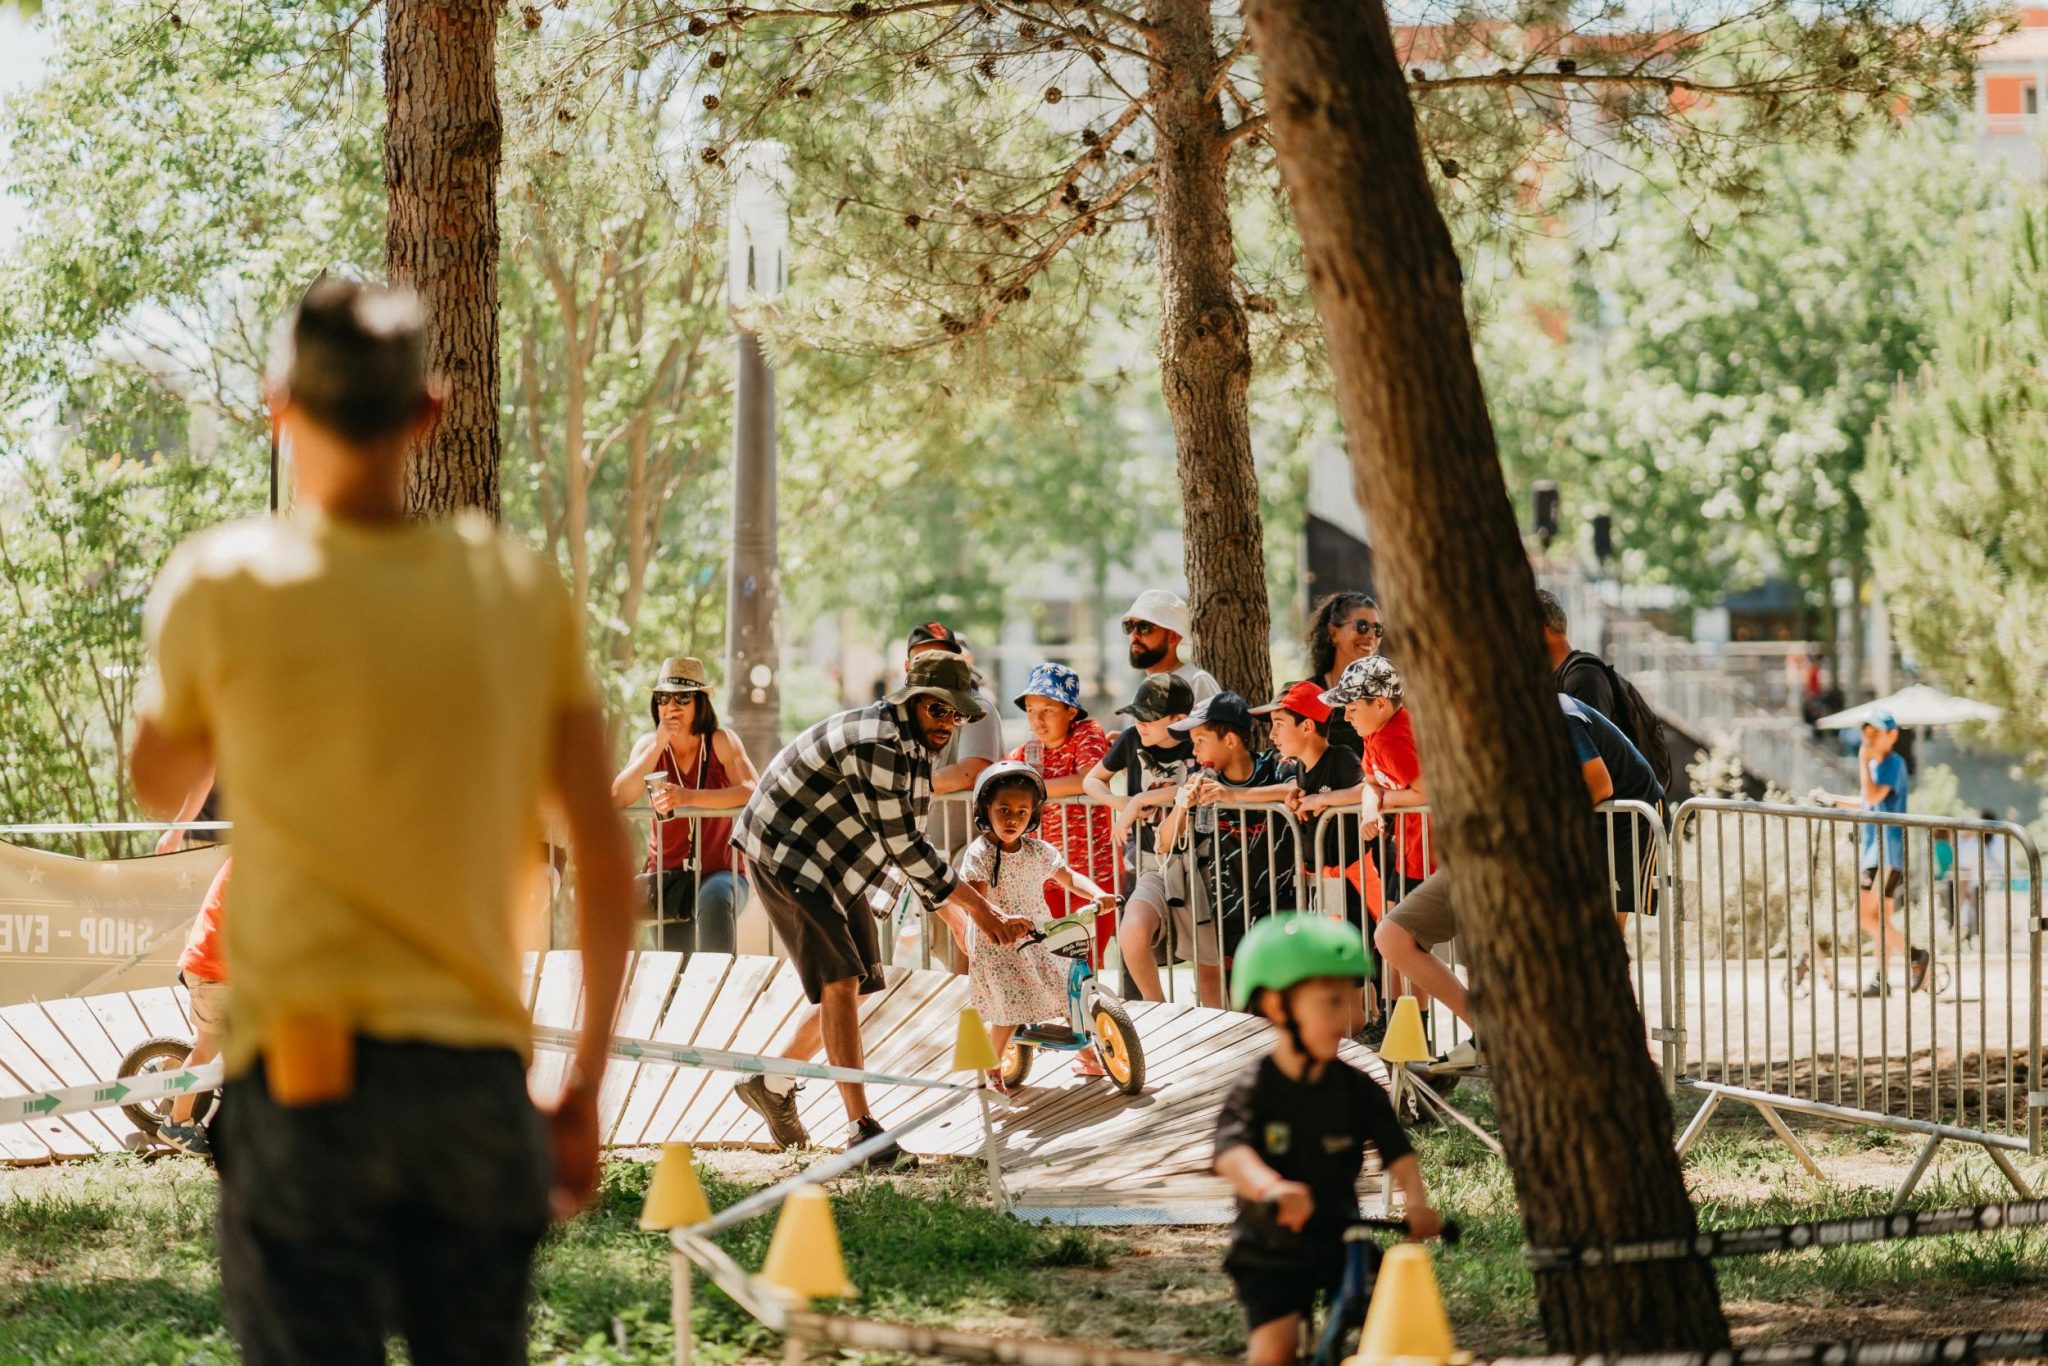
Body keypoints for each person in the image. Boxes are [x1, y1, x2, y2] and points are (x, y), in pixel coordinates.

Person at [127, 279, 637, 1364]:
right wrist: (583, 1081)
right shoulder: (513, 587)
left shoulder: (220, 580)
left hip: (301, 1084)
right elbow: (602, 851)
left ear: (278, 406)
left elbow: (154, 780)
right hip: (473, 1084)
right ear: (430, 411)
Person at [730, 651, 1033, 1165]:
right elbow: (909, 849)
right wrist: (984, 914)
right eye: (938, 710)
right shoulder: (879, 743)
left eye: (957, 715)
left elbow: (908, 843)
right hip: (787, 853)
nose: (948, 724)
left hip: (834, 859)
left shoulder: (914, 746)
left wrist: (957, 914)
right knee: (841, 981)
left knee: (861, 981)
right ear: (912, 700)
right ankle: (862, 1130)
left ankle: (772, 1082)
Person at [1214, 915, 1441, 1366]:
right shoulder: (1256, 1088)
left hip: (1342, 1233)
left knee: (1390, 1325)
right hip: (1271, 1243)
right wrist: (1271, 1188)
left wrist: (1416, 1201)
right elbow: (1231, 1153)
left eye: (1349, 1003)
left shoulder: (1356, 1087)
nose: (1344, 1018)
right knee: (1272, 1354)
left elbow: (1396, 1148)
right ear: (1278, 1006)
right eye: (1329, 1003)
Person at [959, 762, 1120, 1090]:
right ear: (985, 810)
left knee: (1067, 989)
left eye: (1021, 812)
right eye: (1003, 810)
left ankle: (1087, 1055)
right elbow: (978, 901)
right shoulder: (980, 854)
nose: (1012, 819)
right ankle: (989, 1068)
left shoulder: (1038, 851)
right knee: (1013, 1004)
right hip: (998, 941)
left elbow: (1069, 877)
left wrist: (1098, 894)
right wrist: (1003, 922)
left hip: (1038, 934)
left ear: (1032, 815)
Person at [611, 657, 758, 955]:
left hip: (722, 873)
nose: (671, 705)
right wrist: (658, 742)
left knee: (714, 897)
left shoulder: (721, 741)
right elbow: (618, 797)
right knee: (675, 972)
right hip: (668, 878)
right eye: (663, 697)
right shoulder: (648, 747)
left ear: (700, 702)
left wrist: (687, 797)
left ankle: (719, 991)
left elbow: (752, 790)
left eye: (683, 697)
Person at [1084, 674, 1210, 1004]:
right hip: (1152, 864)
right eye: (1136, 714)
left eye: (1149, 716)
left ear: (1179, 720)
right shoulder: (1130, 739)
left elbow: (1198, 783)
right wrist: (1122, 803)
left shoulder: (1196, 741)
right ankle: (1159, 1010)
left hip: (1201, 863)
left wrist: (1142, 800)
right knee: (1131, 935)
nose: (1139, 722)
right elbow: (1092, 781)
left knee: (1210, 963)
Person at [1157, 692, 1296, 969]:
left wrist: (1231, 795)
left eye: (1200, 742)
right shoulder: (1203, 782)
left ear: (1230, 740)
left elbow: (1294, 789)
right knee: (1240, 1000)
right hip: (1230, 910)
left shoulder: (1274, 764)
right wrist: (1182, 805)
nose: (1194, 752)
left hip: (1284, 907)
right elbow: (1164, 843)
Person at [1809, 712, 1930, 995]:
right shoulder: (1882, 766)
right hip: (1885, 852)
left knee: (1865, 918)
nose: (1869, 738)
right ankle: (1880, 978)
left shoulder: (1889, 763)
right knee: (1881, 922)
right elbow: (1868, 801)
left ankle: (1916, 956)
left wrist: (1863, 761)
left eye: (1875, 733)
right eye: (1867, 733)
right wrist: (1833, 799)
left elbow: (1872, 797)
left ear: (1892, 735)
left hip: (1883, 852)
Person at [1008, 663, 1116, 969]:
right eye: (1030, 710)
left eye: (1047, 710)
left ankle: (1089, 1017)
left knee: (1084, 966)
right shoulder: (1026, 752)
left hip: (1091, 876)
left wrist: (1031, 790)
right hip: (1046, 881)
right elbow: (1003, 784)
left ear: (1070, 711)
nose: (1037, 720)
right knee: (1052, 966)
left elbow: (1088, 779)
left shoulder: (1087, 733)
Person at [159, 856, 232, 1157]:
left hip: (214, 966)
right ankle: (177, 1123)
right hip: (214, 971)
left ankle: (167, 1071)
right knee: (209, 1046)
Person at [1303, 593, 1382, 755]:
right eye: (1362, 626)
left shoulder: (1389, 694)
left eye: (1377, 629)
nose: (1371, 635)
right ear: (1334, 633)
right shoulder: (1306, 695)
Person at [1121, 588, 1221, 704]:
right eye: (1129, 625)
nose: (1134, 635)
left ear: (1172, 637)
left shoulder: (1197, 682)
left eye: (1144, 626)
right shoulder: (1142, 692)